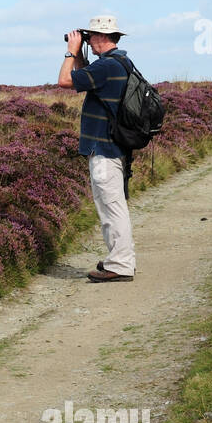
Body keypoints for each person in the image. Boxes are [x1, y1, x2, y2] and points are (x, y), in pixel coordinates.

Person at [56, 15, 136, 282]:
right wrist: (81, 55)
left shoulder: (107, 67)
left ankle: (121, 265)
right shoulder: (118, 63)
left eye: (91, 36)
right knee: (113, 205)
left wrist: (71, 51)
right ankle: (119, 259)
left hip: (104, 148)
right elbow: (83, 78)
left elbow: (66, 81)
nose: (88, 39)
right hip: (113, 146)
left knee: (112, 206)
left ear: (102, 37)